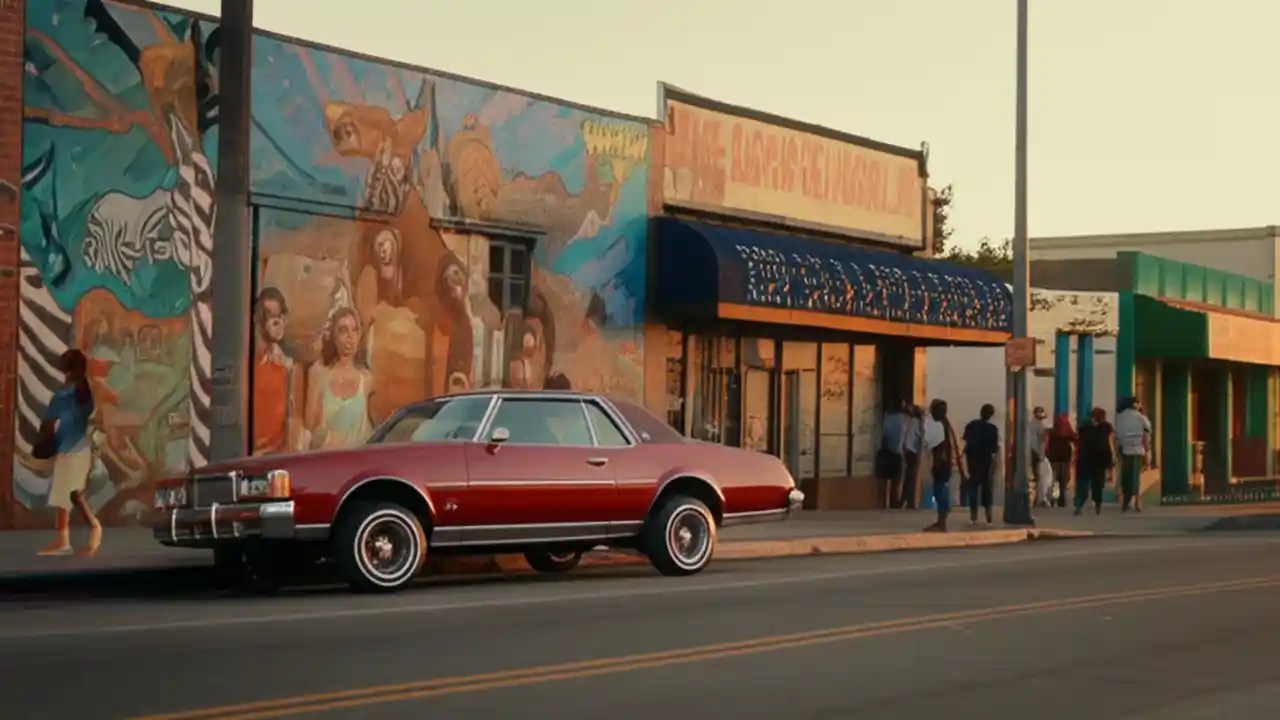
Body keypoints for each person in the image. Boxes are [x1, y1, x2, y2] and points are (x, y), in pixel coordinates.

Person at [36, 349, 102, 557]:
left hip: (69, 450)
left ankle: (81, 535)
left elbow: (49, 423)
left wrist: (43, 445)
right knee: (70, 496)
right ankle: (74, 537)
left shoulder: (63, 395)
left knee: (68, 496)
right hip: (81, 449)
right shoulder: (85, 392)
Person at [923, 399, 966, 532]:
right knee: (940, 490)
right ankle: (941, 521)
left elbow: (941, 448)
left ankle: (942, 522)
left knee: (940, 490)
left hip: (942, 464)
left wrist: (938, 463)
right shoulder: (945, 424)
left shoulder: (940, 426)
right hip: (945, 464)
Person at [962, 403, 1000, 526]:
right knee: (987, 488)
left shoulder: (971, 425)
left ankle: (973, 516)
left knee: (973, 486)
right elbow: (994, 450)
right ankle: (988, 516)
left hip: (973, 460)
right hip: (986, 461)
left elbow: (966, 442)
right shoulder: (992, 429)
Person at [1074, 407, 1116, 515]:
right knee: (1097, 484)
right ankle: (1097, 505)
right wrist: (1112, 457)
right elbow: (1110, 442)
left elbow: (1078, 442)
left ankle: (1079, 505)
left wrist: (1075, 456)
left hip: (1085, 458)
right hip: (1099, 459)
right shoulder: (1106, 427)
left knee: (1082, 483)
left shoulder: (1084, 427)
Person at [1115, 396, 1152, 512]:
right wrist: (1147, 451)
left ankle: (1126, 500)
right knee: (1136, 477)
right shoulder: (1141, 417)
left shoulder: (1120, 417)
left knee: (1125, 476)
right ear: (1135, 404)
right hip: (1138, 450)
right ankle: (1136, 500)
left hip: (1124, 449)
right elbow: (1147, 433)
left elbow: (1118, 434)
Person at [877, 401, 908, 508]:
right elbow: (904, 438)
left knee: (885, 480)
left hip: (887, 451)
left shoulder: (887, 419)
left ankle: (883, 502)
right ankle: (894, 502)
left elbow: (884, 436)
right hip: (897, 453)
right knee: (896, 480)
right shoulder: (903, 419)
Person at [1046, 413, 1078, 508]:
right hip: (1064, 460)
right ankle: (1062, 501)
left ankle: (1055, 499)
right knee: (1063, 482)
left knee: (1055, 481)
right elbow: (1076, 439)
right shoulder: (1068, 434)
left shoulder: (1052, 433)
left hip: (1053, 460)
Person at [900, 404, 925, 509]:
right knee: (911, 478)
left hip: (908, 451)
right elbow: (920, 440)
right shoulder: (917, 423)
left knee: (908, 477)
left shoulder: (910, 422)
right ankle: (909, 501)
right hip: (913, 452)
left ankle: (904, 500)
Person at [1029, 406, 1050, 506]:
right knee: (1040, 476)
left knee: (1038, 476)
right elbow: (1041, 440)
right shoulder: (1038, 425)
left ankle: (1038, 498)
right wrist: (1041, 454)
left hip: (1034, 452)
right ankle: (1040, 498)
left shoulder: (1032, 423)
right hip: (1037, 453)